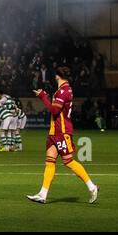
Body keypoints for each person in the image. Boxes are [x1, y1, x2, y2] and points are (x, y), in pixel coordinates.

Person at [27, 66, 98, 204]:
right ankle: (43, 194)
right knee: (49, 162)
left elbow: (54, 110)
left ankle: (92, 187)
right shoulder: (66, 89)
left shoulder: (63, 91)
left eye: (55, 75)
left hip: (62, 131)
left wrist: (43, 97)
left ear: (57, 76)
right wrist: (46, 96)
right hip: (55, 131)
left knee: (68, 161)